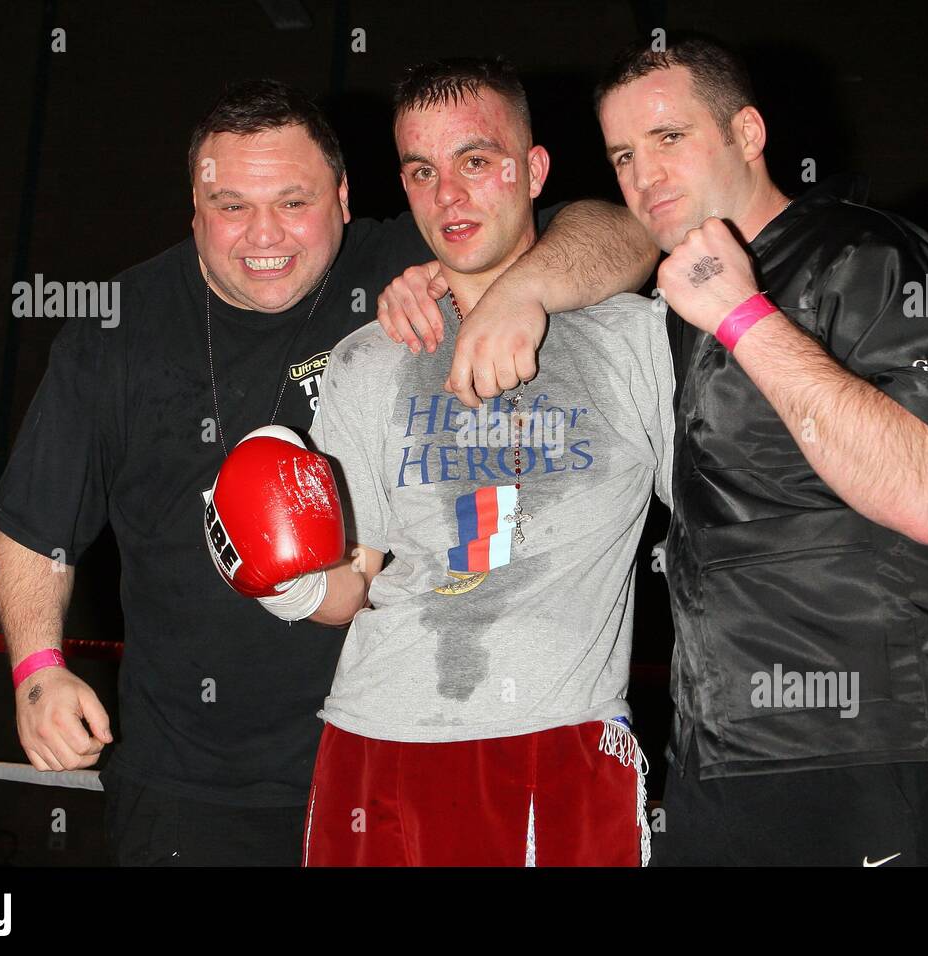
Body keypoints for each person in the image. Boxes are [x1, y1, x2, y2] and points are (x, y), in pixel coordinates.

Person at [0, 78, 657, 866]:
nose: (262, 235)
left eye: (293, 203)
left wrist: (526, 290)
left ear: (343, 199)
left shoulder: (409, 257)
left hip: (387, 751)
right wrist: (38, 671)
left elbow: (625, 235)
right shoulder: (120, 332)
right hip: (195, 781)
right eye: (231, 205)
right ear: (194, 208)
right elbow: (34, 525)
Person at [381, 36, 928, 866]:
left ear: (748, 133)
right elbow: (594, 235)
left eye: (670, 140)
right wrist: (454, 285)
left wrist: (744, 316)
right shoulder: (670, 293)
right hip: (717, 749)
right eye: (625, 154)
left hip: (869, 746)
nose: (645, 176)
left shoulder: (866, 255)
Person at [292, 57, 674, 866]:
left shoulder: (637, 340)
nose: (449, 195)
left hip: (555, 741)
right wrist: (276, 575)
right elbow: (347, 583)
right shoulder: (366, 359)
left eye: (476, 161)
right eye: (423, 171)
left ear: (535, 170)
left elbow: (731, 519)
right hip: (371, 738)